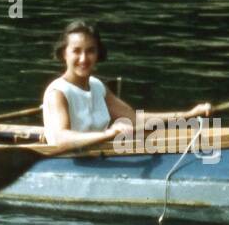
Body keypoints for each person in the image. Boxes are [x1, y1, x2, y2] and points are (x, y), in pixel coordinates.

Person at [42, 20, 211, 146]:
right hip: (68, 160)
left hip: (99, 155)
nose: (84, 59)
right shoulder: (58, 93)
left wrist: (189, 115)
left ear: (98, 53)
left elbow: (136, 119)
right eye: (76, 51)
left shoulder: (97, 86)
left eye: (91, 51)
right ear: (64, 53)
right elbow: (61, 138)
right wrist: (109, 134)